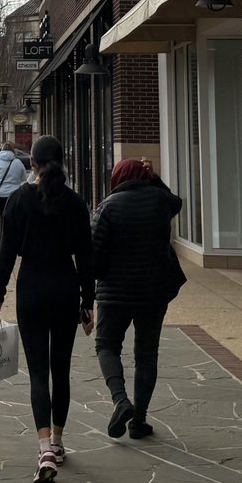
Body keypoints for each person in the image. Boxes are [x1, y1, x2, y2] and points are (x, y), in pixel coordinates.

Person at [0, 135, 93, 483]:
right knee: (60, 369)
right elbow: (86, 256)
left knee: (37, 372)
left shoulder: (18, 201)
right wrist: (88, 300)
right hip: (65, 288)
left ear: (31, 163)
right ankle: (60, 442)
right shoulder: (76, 203)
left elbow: (7, 251)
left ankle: (44, 445)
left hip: (31, 288)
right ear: (61, 162)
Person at [91, 158, 187, 439]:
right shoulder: (159, 201)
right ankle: (139, 420)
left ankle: (121, 400)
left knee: (106, 346)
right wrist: (153, 177)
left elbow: (94, 260)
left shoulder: (107, 207)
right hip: (152, 293)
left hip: (114, 295)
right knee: (146, 354)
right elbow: (176, 202)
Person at [0, 141, 28, 221]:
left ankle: (3, 232)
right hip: (15, 193)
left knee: (2, 216)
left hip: (0, 194)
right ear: (13, 150)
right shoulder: (18, 163)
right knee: (14, 217)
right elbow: (24, 178)